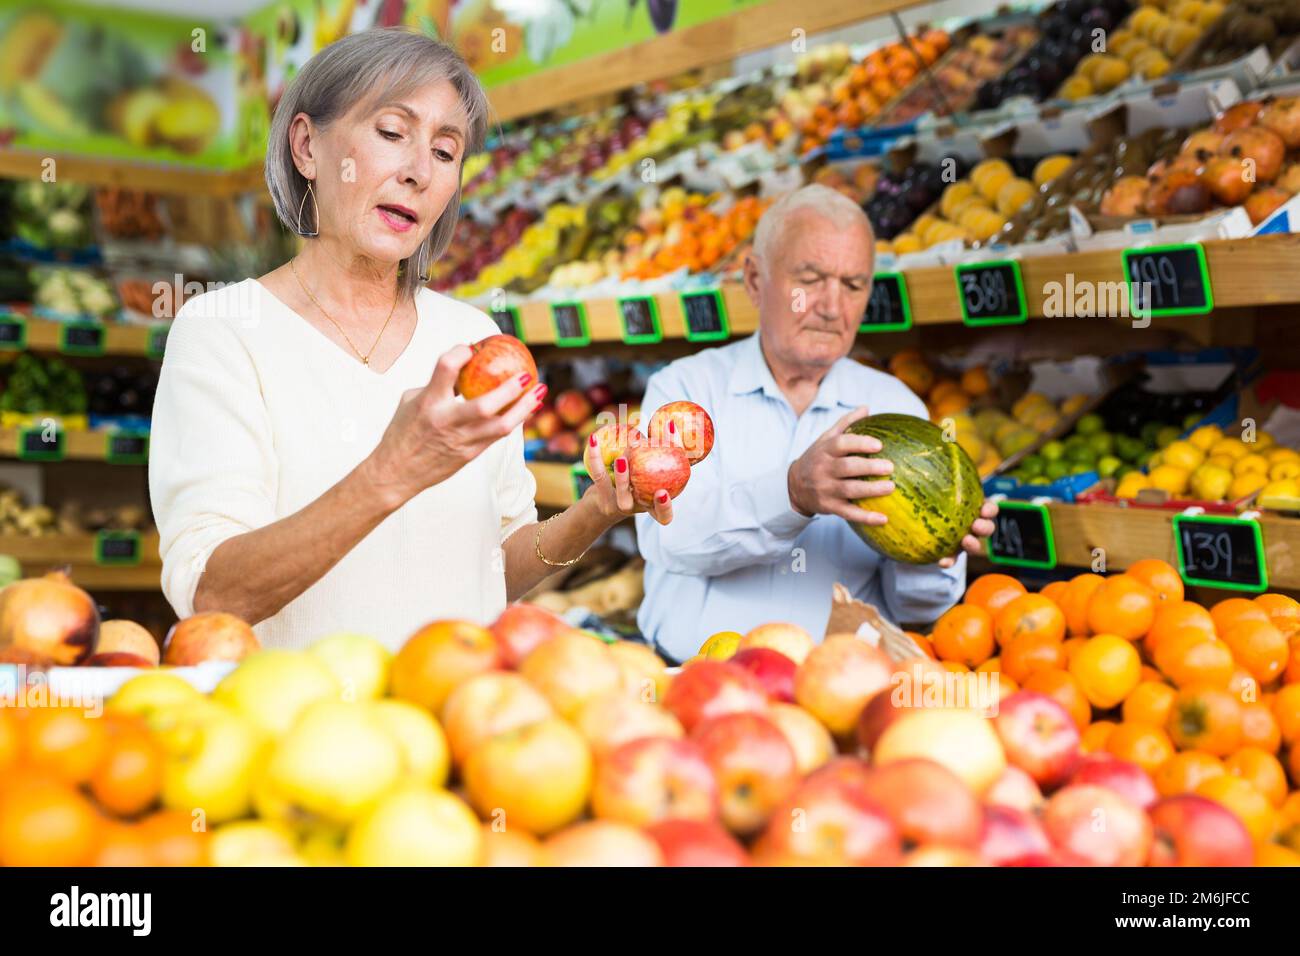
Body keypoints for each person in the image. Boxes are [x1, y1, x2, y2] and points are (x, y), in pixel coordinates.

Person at [149, 29, 673, 650]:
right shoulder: (224, 332)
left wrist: (596, 511)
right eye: (393, 134)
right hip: (299, 730)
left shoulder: (472, 338)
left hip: (458, 716)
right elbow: (215, 594)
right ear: (307, 146)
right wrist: (392, 472)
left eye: (446, 152)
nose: (419, 172)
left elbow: (494, 571)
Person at [636, 185, 996, 662]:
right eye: (810, 278)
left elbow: (916, 608)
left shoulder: (894, 405)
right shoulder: (684, 391)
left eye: (853, 285)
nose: (831, 306)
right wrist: (792, 493)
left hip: (841, 691)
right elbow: (669, 538)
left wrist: (938, 553)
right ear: (754, 279)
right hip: (694, 677)